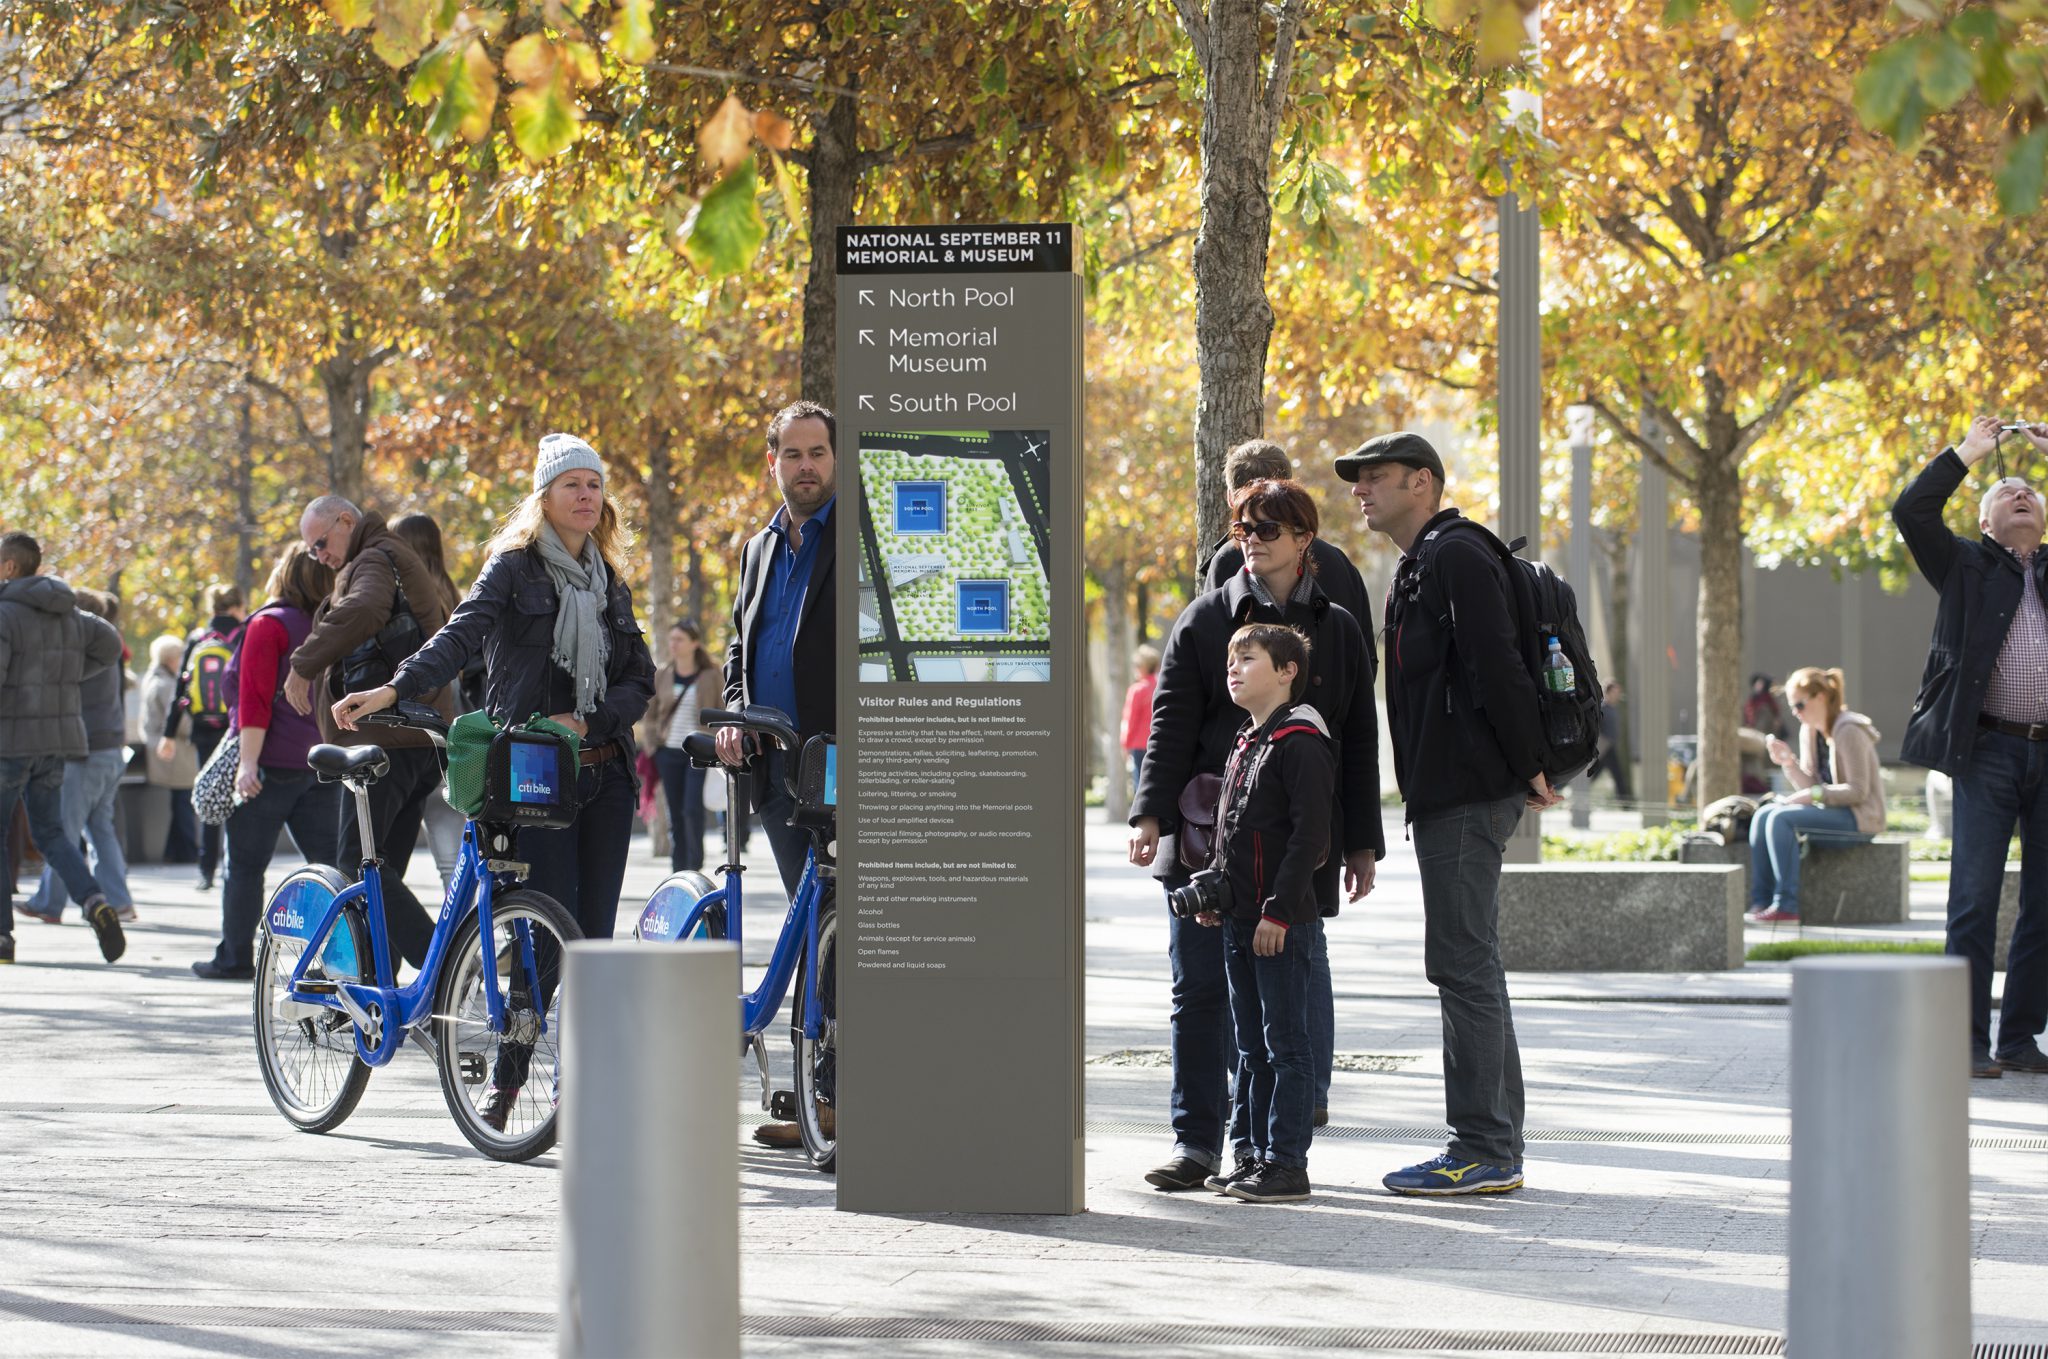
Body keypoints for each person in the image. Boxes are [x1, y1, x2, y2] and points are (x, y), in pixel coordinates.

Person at [1128, 478, 1382, 1192]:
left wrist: (1362, 842)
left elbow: (1359, 739)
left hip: (1290, 851)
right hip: (1204, 841)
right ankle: (1196, 1145)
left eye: (1270, 528)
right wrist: (1150, 816)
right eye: (1244, 527)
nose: (1253, 539)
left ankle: (1267, 1153)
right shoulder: (1206, 618)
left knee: (1275, 1012)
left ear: (1305, 539)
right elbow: (1169, 723)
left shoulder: (1337, 627)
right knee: (1198, 994)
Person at [335, 434, 654, 951]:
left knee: (594, 941)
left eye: (594, 485)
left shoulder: (611, 581)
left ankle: (568, 1010)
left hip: (608, 771)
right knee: (546, 933)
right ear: (544, 498)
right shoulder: (511, 567)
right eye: (571, 484)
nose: (586, 494)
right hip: (537, 766)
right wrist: (395, 689)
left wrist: (587, 722)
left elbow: (640, 679)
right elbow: (459, 635)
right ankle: (521, 1007)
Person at [1349, 430, 1554, 1196]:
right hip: (1449, 792)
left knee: (1460, 963)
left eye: (1377, 477)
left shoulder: (1457, 554)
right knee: (1474, 964)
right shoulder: (1422, 562)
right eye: (1358, 480)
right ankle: (1496, 1143)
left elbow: (1497, 663)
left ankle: (1481, 1146)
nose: (1361, 491)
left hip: (1467, 792)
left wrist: (1529, 761)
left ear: (1423, 483)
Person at [1892, 415, 2048, 1079]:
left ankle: (2019, 1038)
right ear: (1985, 522)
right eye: (2006, 492)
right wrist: (1967, 453)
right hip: (1987, 751)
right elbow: (1912, 510)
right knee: (1974, 899)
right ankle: (1965, 1042)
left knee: (2045, 904)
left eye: (2031, 492)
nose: (2022, 493)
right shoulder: (1964, 565)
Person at [284, 494, 454, 970]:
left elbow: (365, 609)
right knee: (382, 869)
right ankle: (380, 981)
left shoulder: (374, 558)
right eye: (310, 551)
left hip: (388, 740)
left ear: (345, 521)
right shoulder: (387, 554)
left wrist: (302, 665)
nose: (318, 556)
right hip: (412, 739)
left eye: (320, 544)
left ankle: (442, 966)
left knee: (358, 863)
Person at [1197, 623, 1335, 1204]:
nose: (1233, 669)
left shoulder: (1300, 741)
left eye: (1247, 659)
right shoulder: (1246, 740)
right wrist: (1217, 894)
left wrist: (1277, 912)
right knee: (1249, 1047)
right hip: (1240, 919)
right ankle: (1250, 1155)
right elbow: (1231, 830)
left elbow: (1310, 839)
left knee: (1286, 1047)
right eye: (1231, 660)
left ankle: (1286, 1164)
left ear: (1286, 672)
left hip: (1281, 923)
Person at [193, 546, 342, 980]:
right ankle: (343, 960)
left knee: (244, 866)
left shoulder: (267, 624)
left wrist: (247, 763)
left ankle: (235, 956)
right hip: (322, 763)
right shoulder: (334, 624)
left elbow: (254, 701)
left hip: (269, 765)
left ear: (285, 574)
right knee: (331, 870)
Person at [720, 400, 837, 900]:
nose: (806, 465)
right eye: (793, 454)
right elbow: (739, 647)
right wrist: (735, 713)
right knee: (805, 915)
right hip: (771, 769)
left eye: (817, 453)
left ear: (835, 458)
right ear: (773, 463)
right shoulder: (756, 549)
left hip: (836, 768)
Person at [0, 531, 127, 965]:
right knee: (52, 833)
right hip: (57, 743)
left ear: (10, 567)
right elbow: (111, 644)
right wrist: (67, 678)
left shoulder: (4, 613)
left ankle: (2, 937)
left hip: (9, 743)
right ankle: (94, 901)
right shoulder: (68, 611)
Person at [19, 588, 136, 925]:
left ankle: (49, 902)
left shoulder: (77, 649)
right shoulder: (107, 646)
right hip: (111, 747)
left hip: (85, 751)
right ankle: (119, 901)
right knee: (100, 829)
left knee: (63, 830)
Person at [1745, 666, 1885, 924]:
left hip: (1860, 819)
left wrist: (1812, 795)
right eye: (1792, 707)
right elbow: (1810, 785)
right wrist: (1788, 763)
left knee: (1781, 819)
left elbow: (1858, 791)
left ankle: (1786, 906)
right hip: (1832, 813)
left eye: (1800, 705)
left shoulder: (1849, 730)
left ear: (1821, 697)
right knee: (1764, 814)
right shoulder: (1809, 730)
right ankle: (1761, 901)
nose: (1795, 713)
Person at [1202, 438, 1374, 629]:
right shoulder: (1338, 561)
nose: (1253, 541)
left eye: (1269, 531)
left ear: (1230, 498)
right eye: (1245, 531)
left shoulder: (1227, 560)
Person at [389, 511, 467, 892]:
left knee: (384, 858)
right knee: (452, 861)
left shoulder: (407, 599)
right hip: (459, 732)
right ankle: (469, 929)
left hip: (419, 731)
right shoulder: (456, 597)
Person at [163, 583, 244, 889]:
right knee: (241, 795)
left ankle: (206, 869)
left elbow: (180, 690)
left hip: (203, 732)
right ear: (237, 606)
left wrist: (169, 734)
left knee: (210, 792)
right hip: (236, 728)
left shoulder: (198, 639)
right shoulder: (243, 635)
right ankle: (235, 864)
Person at [643, 620, 716, 872]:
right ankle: (679, 868)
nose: (673, 644)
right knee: (675, 811)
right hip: (668, 752)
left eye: (679, 639)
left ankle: (695, 865)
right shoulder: (663, 674)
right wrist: (653, 746)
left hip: (699, 754)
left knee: (691, 809)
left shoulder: (711, 675)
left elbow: (723, 709)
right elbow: (650, 714)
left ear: (694, 643)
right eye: (671, 639)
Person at [141, 632, 200, 862]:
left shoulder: (153, 678)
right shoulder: (167, 685)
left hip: (166, 751)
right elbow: (179, 721)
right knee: (184, 801)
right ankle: (188, 851)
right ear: (171, 659)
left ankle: (173, 851)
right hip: (175, 752)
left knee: (179, 802)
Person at [1119, 645, 1160, 800]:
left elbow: (1130, 720)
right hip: (1158, 742)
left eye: (1136, 665)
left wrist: (1125, 744)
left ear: (1143, 667)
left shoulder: (1137, 690)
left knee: (1140, 787)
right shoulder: (1161, 686)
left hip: (1139, 744)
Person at [1586, 679, 1633, 802]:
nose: (1617, 695)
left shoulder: (1614, 708)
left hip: (1610, 747)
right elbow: (1596, 728)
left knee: (1598, 775)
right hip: (1603, 748)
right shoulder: (1602, 708)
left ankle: (1624, 802)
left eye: (1618, 692)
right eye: (1615, 692)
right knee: (1616, 775)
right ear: (1608, 692)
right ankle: (1625, 803)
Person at [1744, 674, 1787, 740]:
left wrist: (1776, 719)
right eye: (1757, 684)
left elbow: (1775, 709)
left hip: (1767, 726)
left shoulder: (1768, 698)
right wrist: (1749, 722)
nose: (1758, 686)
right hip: (1755, 724)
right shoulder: (1753, 698)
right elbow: (1749, 710)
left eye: (1760, 684)